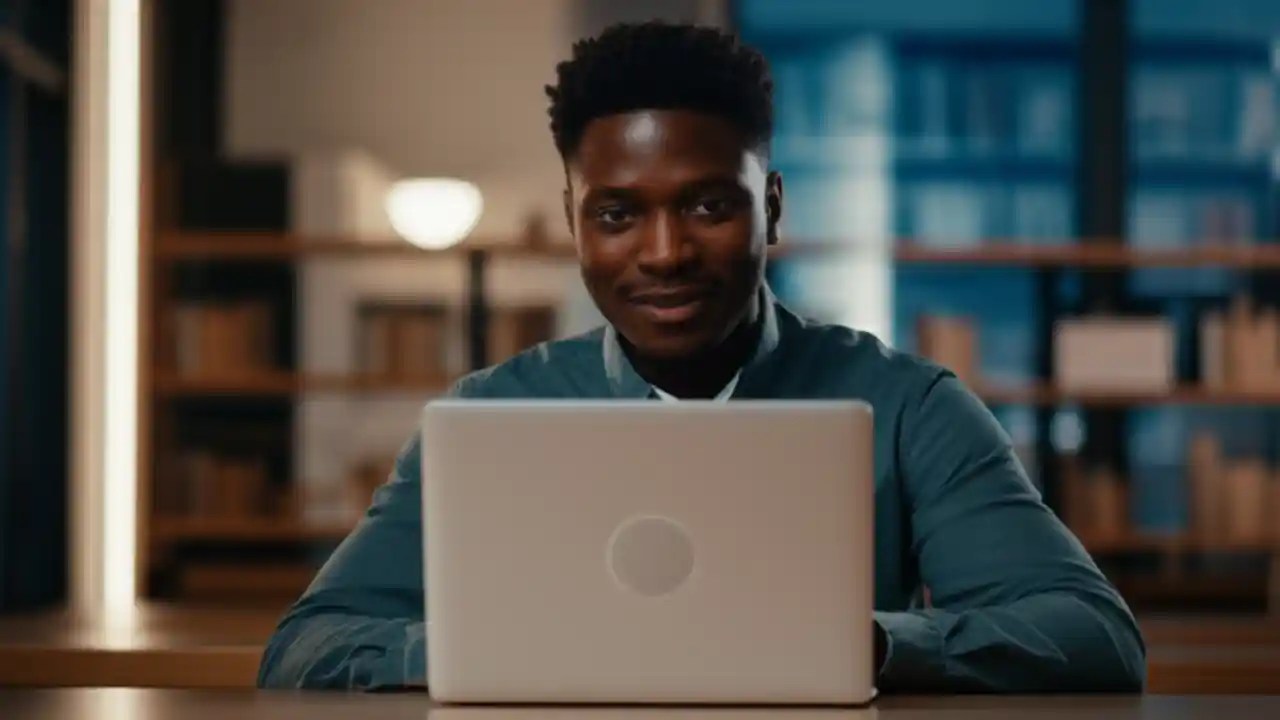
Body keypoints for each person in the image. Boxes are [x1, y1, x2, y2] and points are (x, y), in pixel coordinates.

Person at [258, 21, 1145, 692]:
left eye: (709, 208)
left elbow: (1094, 635)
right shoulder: (487, 416)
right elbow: (306, 647)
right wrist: (494, 652)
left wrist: (859, 643)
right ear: (573, 223)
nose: (665, 253)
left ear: (773, 209)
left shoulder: (909, 406)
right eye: (617, 215)